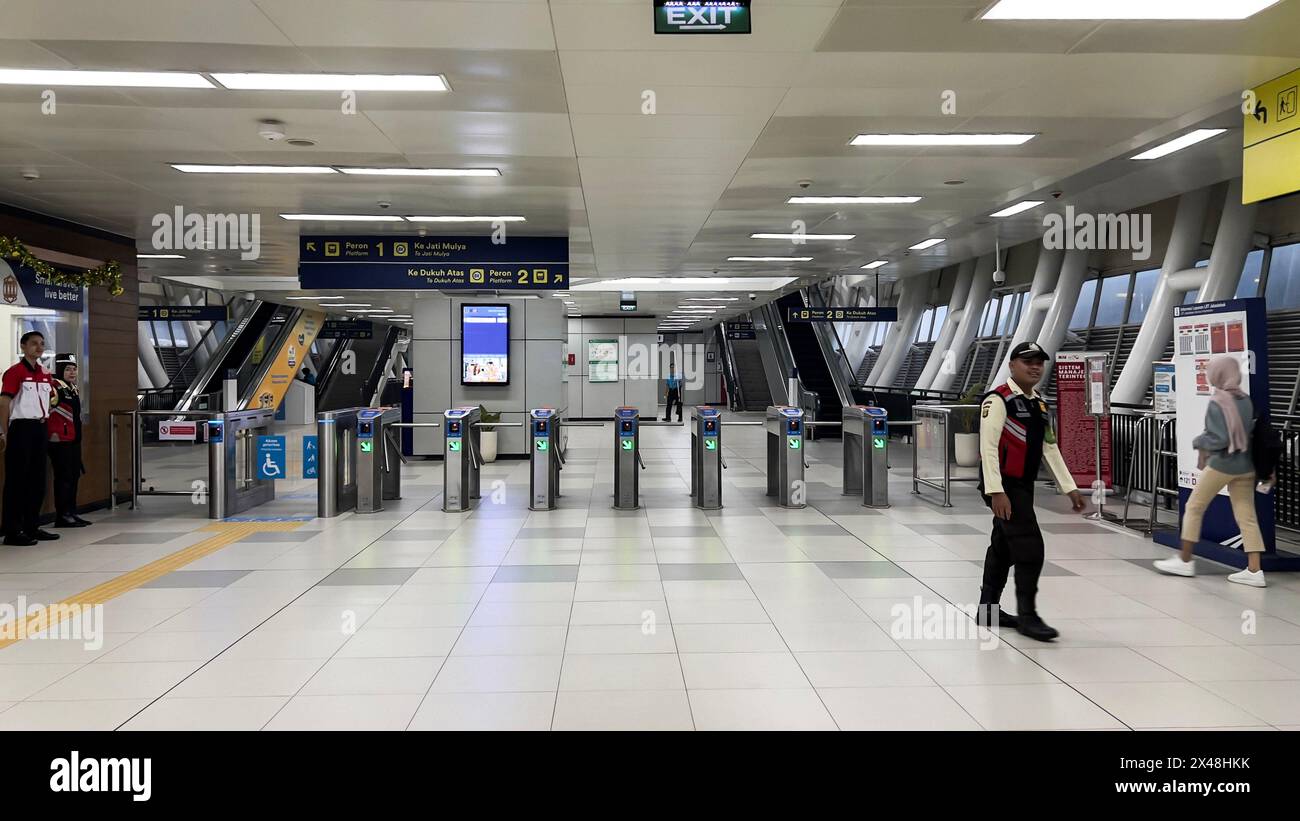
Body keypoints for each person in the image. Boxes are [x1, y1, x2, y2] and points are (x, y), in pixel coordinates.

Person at [975, 341, 1085, 642]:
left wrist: (1069, 487)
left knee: (1004, 545)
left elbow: (1049, 446)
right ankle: (1028, 616)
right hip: (1003, 485)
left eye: (1039, 362)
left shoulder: (1038, 403)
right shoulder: (998, 400)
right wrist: (996, 491)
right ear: (1012, 365)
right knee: (1029, 547)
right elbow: (988, 447)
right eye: (1027, 361)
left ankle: (988, 609)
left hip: (1023, 484)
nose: (1035, 366)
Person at [1154, 355, 1267, 587]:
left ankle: (1185, 560)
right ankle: (1255, 570)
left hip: (1223, 464)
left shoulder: (1219, 401)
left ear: (1218, 374)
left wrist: (1198, 441)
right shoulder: (1244, 399)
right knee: (1246, 516)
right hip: (1246, 465)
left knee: (1194, 507)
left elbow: (1219, 438)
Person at [0, 331, 60, 546]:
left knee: (37, 480)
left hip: (40, 428)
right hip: (21, 429)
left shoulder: (45, 373)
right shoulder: (14, 372)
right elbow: (4, 403)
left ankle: (32, 527)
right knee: (17, 481)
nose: (39, 347)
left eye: (42, 344)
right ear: (23, 346)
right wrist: (3, 431)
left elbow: (50, 402)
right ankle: (13, 530)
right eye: (34, 343)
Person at [48, 354, 90, 528]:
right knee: (64, 477)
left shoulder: (73, 388)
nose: (72, 372)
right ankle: (63, 515)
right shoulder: (54, 387)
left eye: (74, 369)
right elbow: (47, 411)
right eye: (67, 369)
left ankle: (72, 511)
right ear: (59, 370)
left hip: (73, 439)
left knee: (73, 476)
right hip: (60, 440)